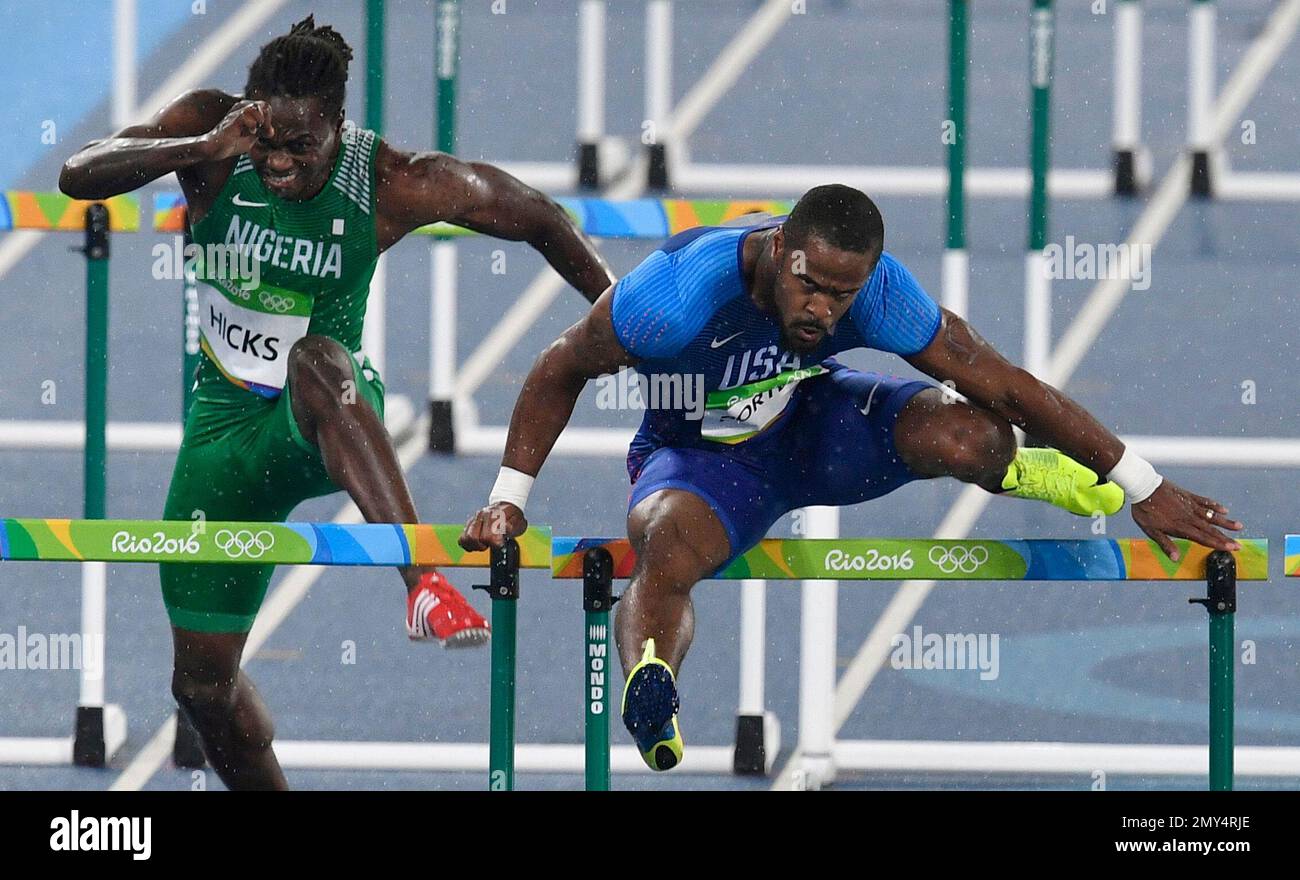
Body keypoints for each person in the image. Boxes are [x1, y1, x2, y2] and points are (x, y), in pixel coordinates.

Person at [459, 184, 1243, 772]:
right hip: (703, 458)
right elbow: (558, 367)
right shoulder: (674, 298)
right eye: (811, 286)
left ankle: (1021, 471)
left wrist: (1147, 485)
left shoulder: (877, 292)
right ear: (777, 251)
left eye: (843, 295)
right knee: (665, 551)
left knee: (973, 430)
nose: (824, 311)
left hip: (819, 424)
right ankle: (653, 690)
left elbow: (1003, 381)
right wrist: (506, 501)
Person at [59, 16, 615, 790]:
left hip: (330, 416)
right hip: (221, 438)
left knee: (314, 359)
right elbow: (78, 173)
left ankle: (423, 584)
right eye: (266, 144)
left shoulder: (389, 180)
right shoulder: (210, 131)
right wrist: (204, 150)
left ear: (338, 129)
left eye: (301, 147)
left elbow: (537, 218)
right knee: (201, 691)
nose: (279, 162)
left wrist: (625, 315)